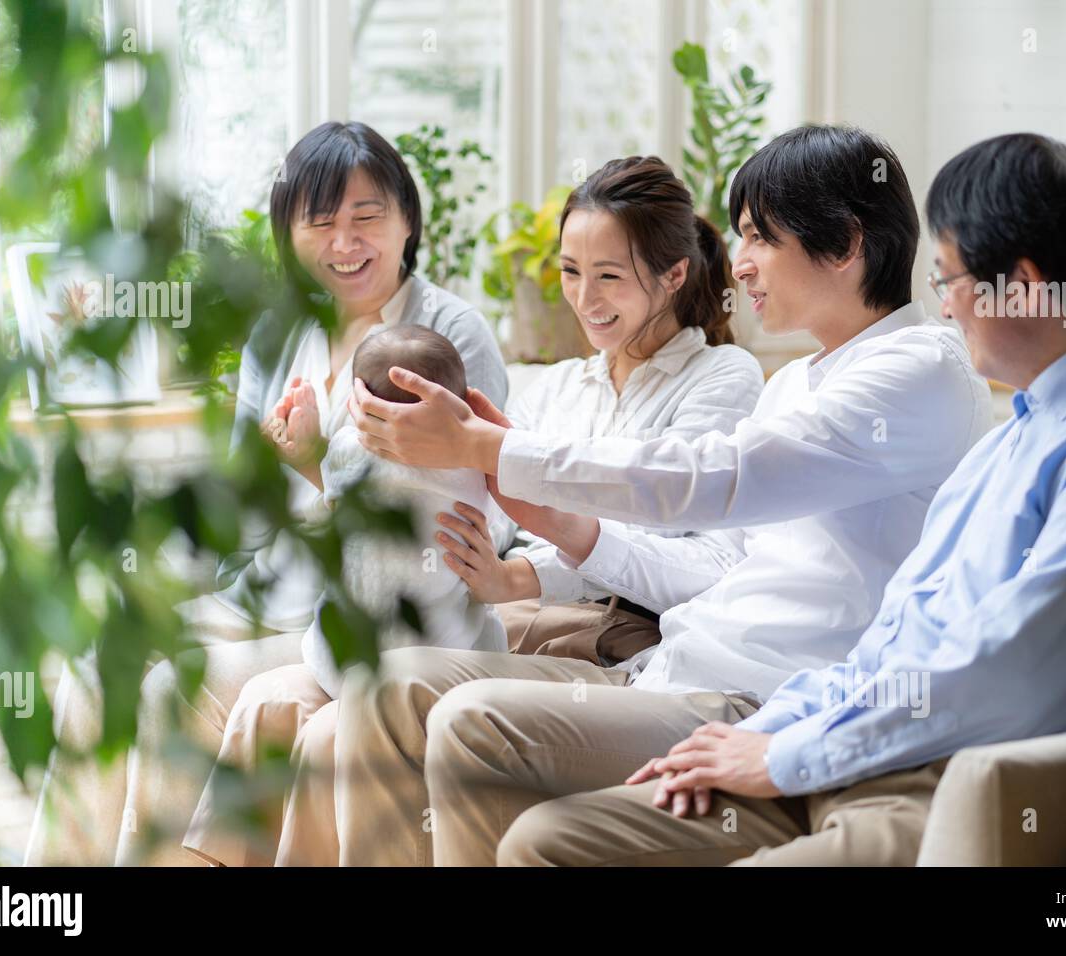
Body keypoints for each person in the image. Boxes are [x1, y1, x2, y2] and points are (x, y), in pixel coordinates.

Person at [489, 133, 1066, 866]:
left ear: (1026, 286)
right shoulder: (1013, 440)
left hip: (975, 781)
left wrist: (786, 753)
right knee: (547, 841)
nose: (944, 309)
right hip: (863, 746)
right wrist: (778, 729)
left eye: (949, 280)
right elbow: (892, 641)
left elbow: (1016, 668)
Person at [329, 125, 991, 865]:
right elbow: (713, 569)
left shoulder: (919, 370)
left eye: (758, 239)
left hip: (760, 699)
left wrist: (492, 450)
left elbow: (715, 477)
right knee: (390, 684)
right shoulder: (796, 382)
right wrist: (558, 520)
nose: (737, 266)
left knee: (472, 722)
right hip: (671, 668)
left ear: (843, 243)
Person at [24, 120, 508, 866]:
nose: (344, 243)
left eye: (366, 218)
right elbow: (245, 500)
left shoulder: (449, 335)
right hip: (265, 590)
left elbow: (445, 505)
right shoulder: (276, 339)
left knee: (169, 696)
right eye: (320, 223)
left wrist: (317, 465)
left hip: (364, 616)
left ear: (408, 221)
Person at [268, 155, 765, 865]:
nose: (585, 299)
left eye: (610, 276)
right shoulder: (562, 387)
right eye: (570, 272)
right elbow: (495, 512)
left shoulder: (722, 378)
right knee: (321, 729)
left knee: (357, 713)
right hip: (513, 611)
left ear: (675, 274)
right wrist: (386, 462)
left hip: (621, 628)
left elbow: (695, 555)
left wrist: (526, 576)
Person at [182, 327, 511, 866]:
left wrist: (311, 448)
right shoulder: (474, 464)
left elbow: (341, 503)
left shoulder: (350, 454)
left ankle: (220, 853)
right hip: (453, 653)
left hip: (360, 663)